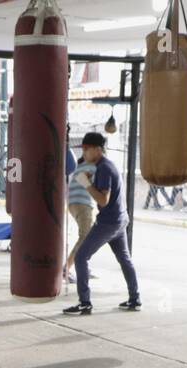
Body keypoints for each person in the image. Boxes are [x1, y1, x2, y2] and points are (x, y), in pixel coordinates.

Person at [62, 132, 140, 316]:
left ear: (97, 149)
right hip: (120, 219)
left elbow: (103, 200)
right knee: (124, 259)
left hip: (109, 222)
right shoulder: (105, 166)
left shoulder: (104, 168)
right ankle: (135, 299)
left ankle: (84, 303)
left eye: (87, 149)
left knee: (81, 257)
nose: (85, 153)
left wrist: (87, 184)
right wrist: (91, 180)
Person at [64, 145, 97, 284]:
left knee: (88, 237)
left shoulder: (80, 167)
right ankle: (67, 268)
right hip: (83, 204)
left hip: (73, 204)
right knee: (85, 237)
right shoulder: (94, 167)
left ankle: (82, 267)